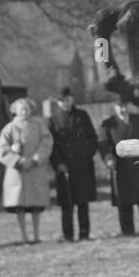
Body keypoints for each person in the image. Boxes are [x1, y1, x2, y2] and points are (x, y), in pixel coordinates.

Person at [98, 101, 139, 237]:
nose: (123, 109)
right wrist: (108, 158)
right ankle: (127, 230)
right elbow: (103, 144)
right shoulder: (108, 123)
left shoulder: (138, 119)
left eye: (125, 106)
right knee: (123, 199)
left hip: (138, 165)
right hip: (120, 167)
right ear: (115, 107)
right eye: (120, 106)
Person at [0, 97, 51, 244]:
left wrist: (35, 159)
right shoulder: (9, 128)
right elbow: (2, 150)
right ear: (15, 110)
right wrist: (17, 160)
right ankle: (23, 235)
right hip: (17, 172)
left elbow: (46, 143)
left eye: (27, 109)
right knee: (19, 204)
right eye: (21, 109)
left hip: (35, 169)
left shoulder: (39, 125)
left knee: (35, 204)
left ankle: (36, 234)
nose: (24, 112)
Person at [48, 87, 99, 242]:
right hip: (64, 167)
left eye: (67, 100)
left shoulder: (82, 116)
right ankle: (68, 235)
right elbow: (51, 146)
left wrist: (87, 155)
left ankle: (84, 233)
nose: (65, 103)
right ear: (58, 103)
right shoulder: (53, 119)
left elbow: (93, 138)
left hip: (82, 166)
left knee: (83, 202)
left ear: (72, 99)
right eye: (62, 101)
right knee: (66, 203)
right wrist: (58, 164)